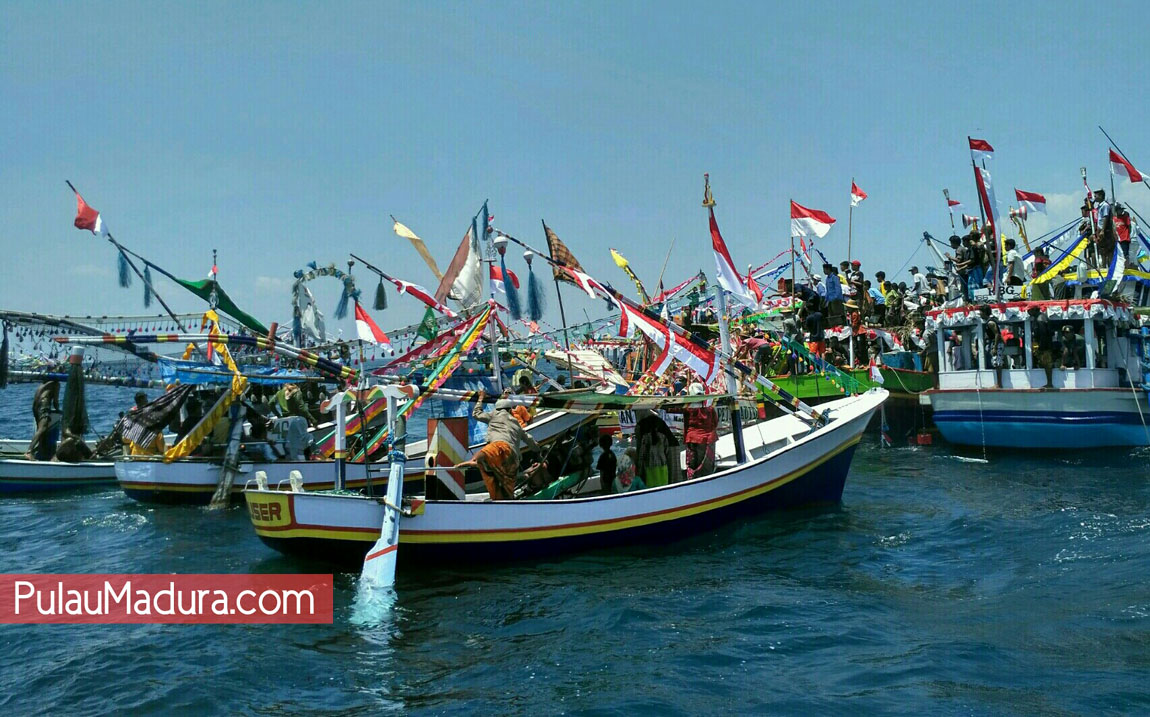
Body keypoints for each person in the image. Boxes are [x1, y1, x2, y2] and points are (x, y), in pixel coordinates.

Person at [458, 389, 540, 500]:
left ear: (497, 409)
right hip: (512, 458)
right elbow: (529, 439)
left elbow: (476, 414)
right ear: (510, 410)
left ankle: (475, 460)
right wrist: (537, 448)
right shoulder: (516, 423)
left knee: (489, 452)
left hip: (499, 449)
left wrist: (481, 398)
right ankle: (507, 500)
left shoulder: (493, 415)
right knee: (507, 488)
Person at [682, 383, 718, 479]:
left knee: (692, 465)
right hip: (707, 439)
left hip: (691, 438)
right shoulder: (709, 407)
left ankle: (692, 482)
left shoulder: (687, 406)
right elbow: (715, 421)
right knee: (706, 467)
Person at [24, 380, 60, 461]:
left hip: (36, 405)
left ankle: (39, 450)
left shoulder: (44, 383)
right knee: (42, 428)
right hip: (44, 404)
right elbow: (55, 401)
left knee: (41, 430)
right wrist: (59, 411)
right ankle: (29, 451)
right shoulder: (56, 383)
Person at [1028, 304, 1054, 388]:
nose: (1028, 312)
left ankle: (1049, 383)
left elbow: (1043, 334)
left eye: (1029, 310)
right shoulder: (1039, 318)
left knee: (1047, 364)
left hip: (1044, 346)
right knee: (1044, 363)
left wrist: (1041, 347)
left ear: (1034, 310)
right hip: (1043, 345)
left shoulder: (1040, 319)